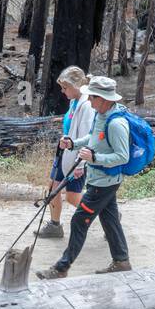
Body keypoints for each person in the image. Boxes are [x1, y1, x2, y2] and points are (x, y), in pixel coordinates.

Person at [37, 75, 132, 278]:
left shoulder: (117, 124)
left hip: (104, 183)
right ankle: (122, 261)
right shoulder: (101, 115)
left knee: (79, 221)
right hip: (100, 179)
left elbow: (123, 157)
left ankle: (61, 268)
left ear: (104, 98)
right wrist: (74, 143)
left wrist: (94, 157)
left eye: (92, 97)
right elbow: (92, 138)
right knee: (110, 220)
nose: (89, 101)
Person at [36, 67, 94, 239]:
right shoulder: (74, 102)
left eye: (65, 87)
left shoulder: (87, 105)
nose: (62, 91)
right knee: (53, 187)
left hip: (77, 159)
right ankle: (54, 225)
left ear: (76, 86)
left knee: (72, 197)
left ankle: (104, 215)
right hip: (64, 153)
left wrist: (81, 164)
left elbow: (87, 137)